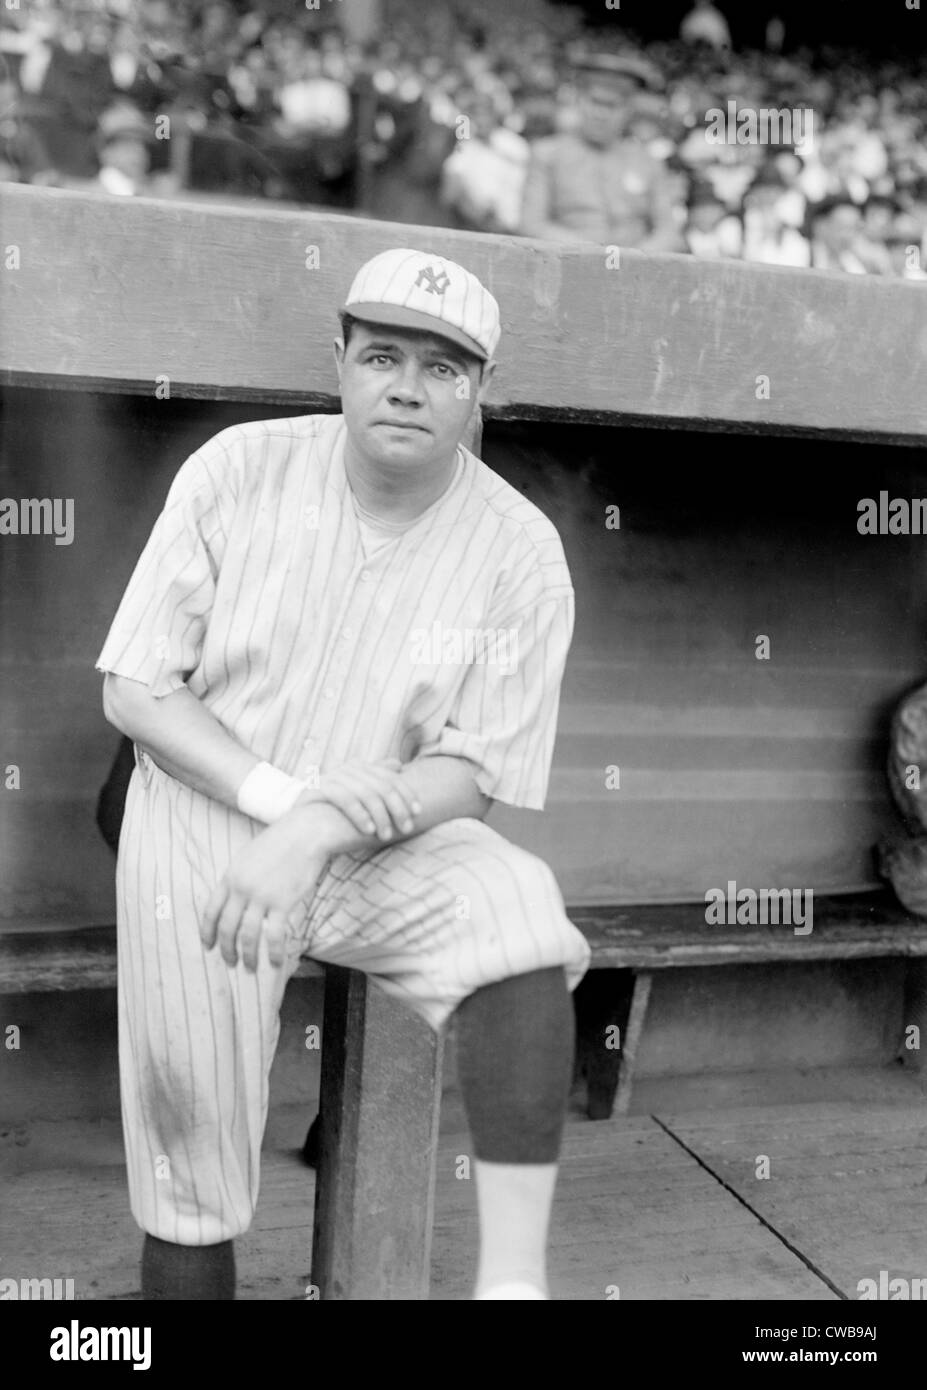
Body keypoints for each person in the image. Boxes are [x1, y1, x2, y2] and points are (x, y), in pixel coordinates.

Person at [96, 247, 591, 1302]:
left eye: (445, 368)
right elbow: (137, 690)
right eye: (383, 354)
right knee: (193, 1153)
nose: (408, 386)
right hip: (207, 810)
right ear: (342, 360)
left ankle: (512, 1278)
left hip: (382, 827)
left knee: (519, 913)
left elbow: (475, 769)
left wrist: (320, 825)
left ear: (480, 390)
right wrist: (282, 804)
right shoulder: (239, 468)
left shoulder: (521, 550)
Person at [519, 52, 681, 251]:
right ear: (579, 100)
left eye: (612, 106)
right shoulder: (547, 154)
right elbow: (531, 224)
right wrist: (594, 254)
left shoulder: (648, 161)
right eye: (595, 102)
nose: (601, 114)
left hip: (635, 270)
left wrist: (634, 258)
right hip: (568, 266)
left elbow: (669, 233)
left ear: (629, 110)